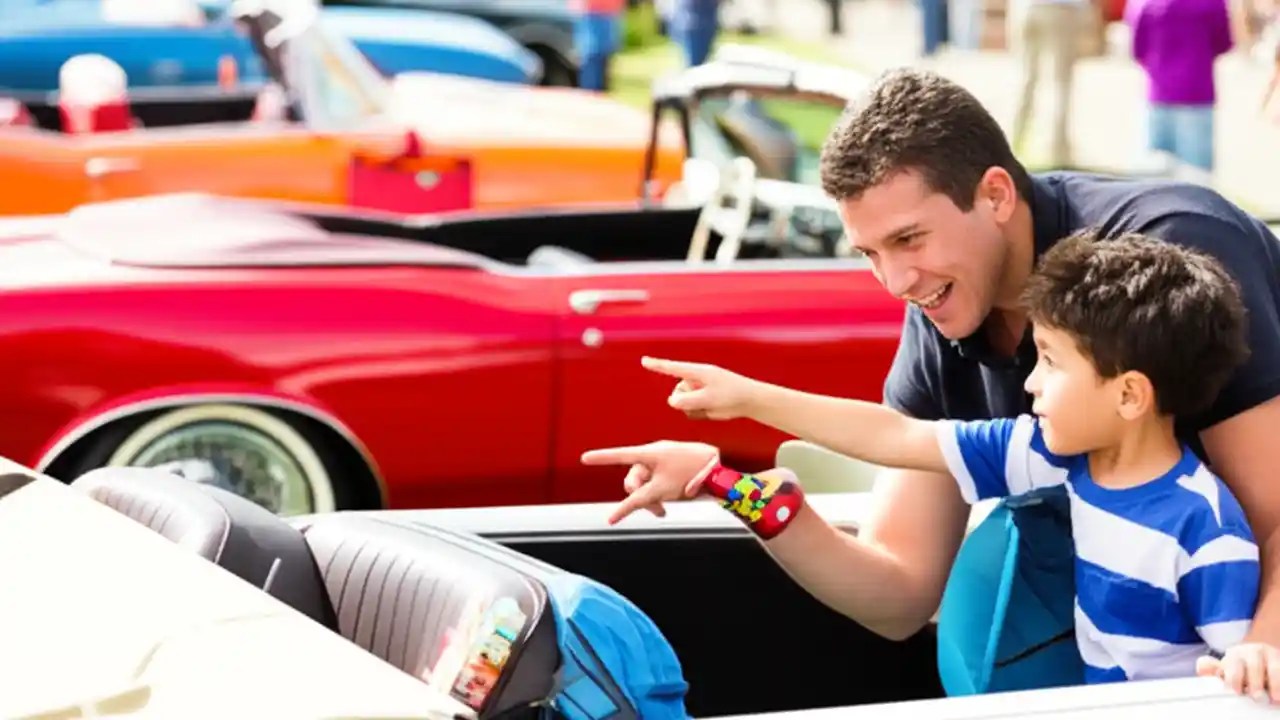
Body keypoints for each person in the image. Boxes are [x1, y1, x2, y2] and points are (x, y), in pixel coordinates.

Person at [581, 67, 1280, 700]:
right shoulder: (943, 312)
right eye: (869, 253)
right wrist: (733, 488)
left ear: (996, 194)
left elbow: (1276, 525)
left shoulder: (1172, 251)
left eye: (910, 240)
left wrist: (1252, 669)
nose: (895, 283)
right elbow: (898, 591)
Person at [588, 228, 1261, 683]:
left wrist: (1244, 669)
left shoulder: (1207, 532)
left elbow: (1239, 675)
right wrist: (747, 397)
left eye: (1050, 364)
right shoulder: (1052, 455)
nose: (1027, 383)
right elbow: (898, 436)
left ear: (1130, 395)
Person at [1125, 0, 1235, 181]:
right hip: (1197, 92)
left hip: (1158, 93)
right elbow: (1223, 42)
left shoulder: (1144, 3)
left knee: (1153, 180)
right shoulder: (1211, 3)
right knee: (1197, 179)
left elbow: (1137, 48)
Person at [571, 0, 626, 91]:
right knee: (591, 58)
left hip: (606, 14)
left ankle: (598, 91)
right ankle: (591, 92)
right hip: (591, 14)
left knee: (602, 58)